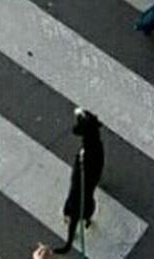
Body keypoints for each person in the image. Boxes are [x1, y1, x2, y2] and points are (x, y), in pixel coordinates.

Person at [54, 109, 104, 255]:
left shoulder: (83, 153)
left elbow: (76, 130)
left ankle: (69, 221)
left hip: (73, 199)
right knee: (87, 196)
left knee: (73, 201)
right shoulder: (97, 149)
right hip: (86, 201)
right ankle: (87, 219)